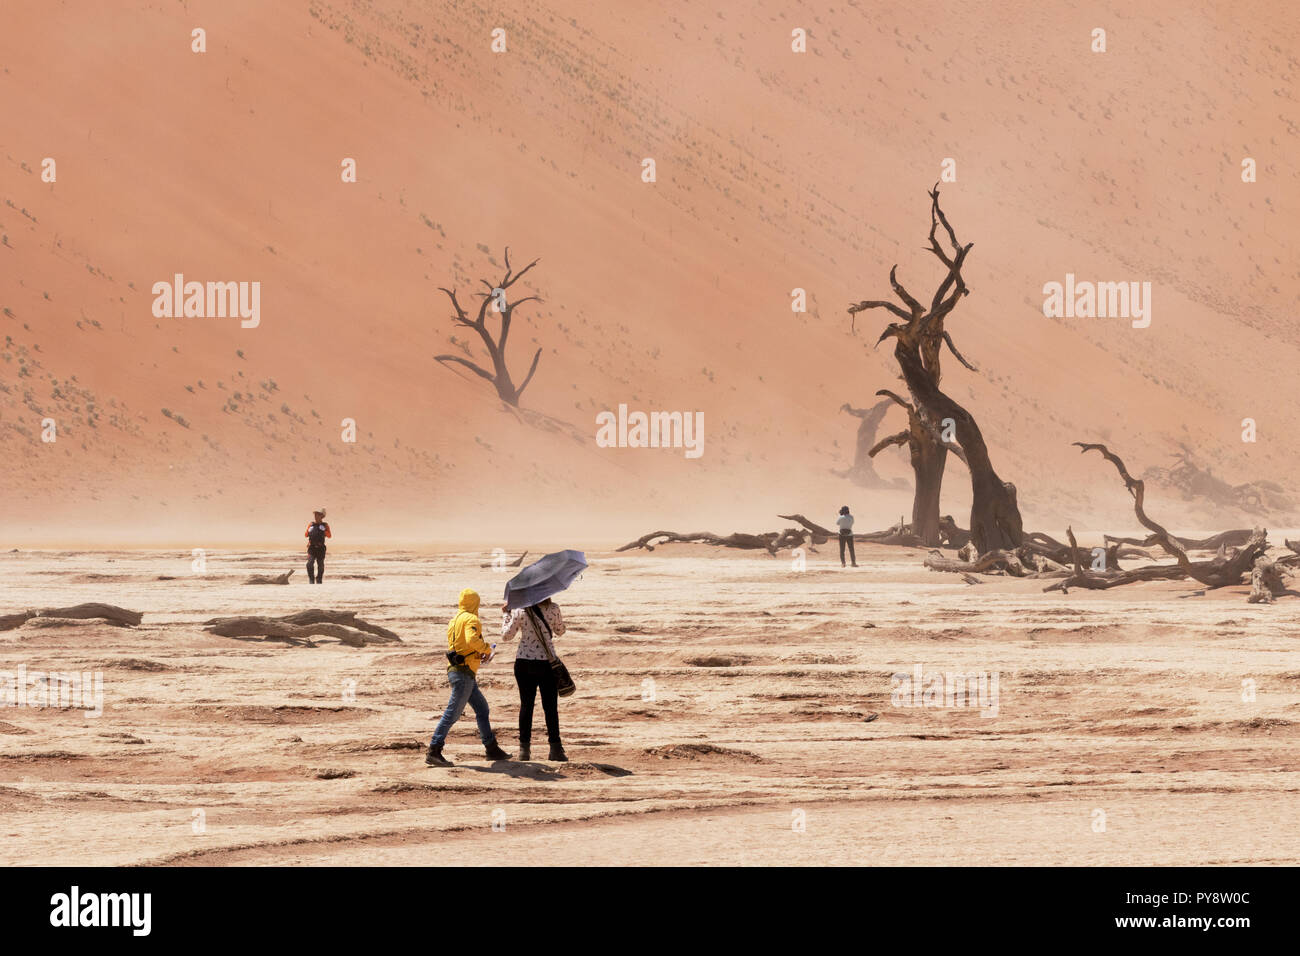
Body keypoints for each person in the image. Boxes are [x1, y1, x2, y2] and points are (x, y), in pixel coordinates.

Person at [426, 588, 511, 767]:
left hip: (460, 670)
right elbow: (472, 640)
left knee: (482, 709)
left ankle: (491, 748)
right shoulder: (472, 619)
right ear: (475, 603)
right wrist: (486, 649)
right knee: (452, 713)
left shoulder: (454, 620)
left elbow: (460, 646)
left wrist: (475, 655)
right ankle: (434, 749)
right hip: (463, 674)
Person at [500, 597, 568, 762]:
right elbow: (560, 631)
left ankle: (524, 750)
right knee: (550, 708)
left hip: (524, 662)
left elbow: (506, 636)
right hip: (547, 663)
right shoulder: (553, 608)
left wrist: (506, 614)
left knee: (526, 706)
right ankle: (555, 749)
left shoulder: (519, 610)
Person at [305, 509, 331, 583]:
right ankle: (311, 579)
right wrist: (309, 530)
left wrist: (324, 530)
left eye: (317, 515)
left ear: (321, 516)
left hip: (321, 548)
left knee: (321, 565)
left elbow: (329, 536)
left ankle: (319, 579)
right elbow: (306, 535)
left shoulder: (325, 525)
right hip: (311, 548)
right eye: (315, 515)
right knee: (309, 563)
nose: (316, 516)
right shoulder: (311, 524)